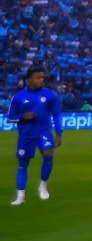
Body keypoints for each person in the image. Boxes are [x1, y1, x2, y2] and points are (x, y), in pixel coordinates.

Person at [7, 66, 62, 205]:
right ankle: (20, 196)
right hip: (26, 135)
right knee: (23, 165)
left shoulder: (50, 95)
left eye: (42, 77)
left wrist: (59, 132)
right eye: (38, 77)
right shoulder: (18, 97)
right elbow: (10, 118)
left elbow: (57, 114)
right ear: (29, 79)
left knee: (48, 156)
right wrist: (22, 116)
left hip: (43, 132)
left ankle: (43, 186)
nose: (41, 80)